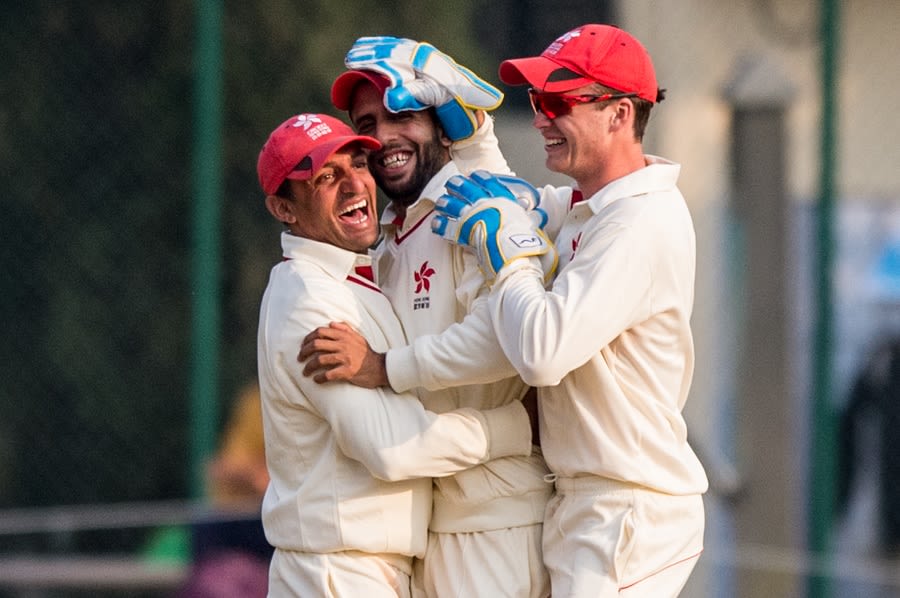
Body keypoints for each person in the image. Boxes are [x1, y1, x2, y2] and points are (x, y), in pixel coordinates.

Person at [428, 24, 710, 597]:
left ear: (619, 113)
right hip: (593, 503)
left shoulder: (638, 223)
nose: (540, 119)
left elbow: (541, 352)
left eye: (559, 102)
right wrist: (475, 136)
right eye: (537, 102)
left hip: (628, 509)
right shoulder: (594, 208)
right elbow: (510, 208)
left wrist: (507, 257)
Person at [299, 39, 552, 597]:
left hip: (497, 521)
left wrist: (385, 367)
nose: (386, 136)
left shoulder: (474, 205)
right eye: (369, 124)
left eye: (403, 115)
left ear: (441, 125)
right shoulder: (390, 236)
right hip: (442, 524)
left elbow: (506, 336)